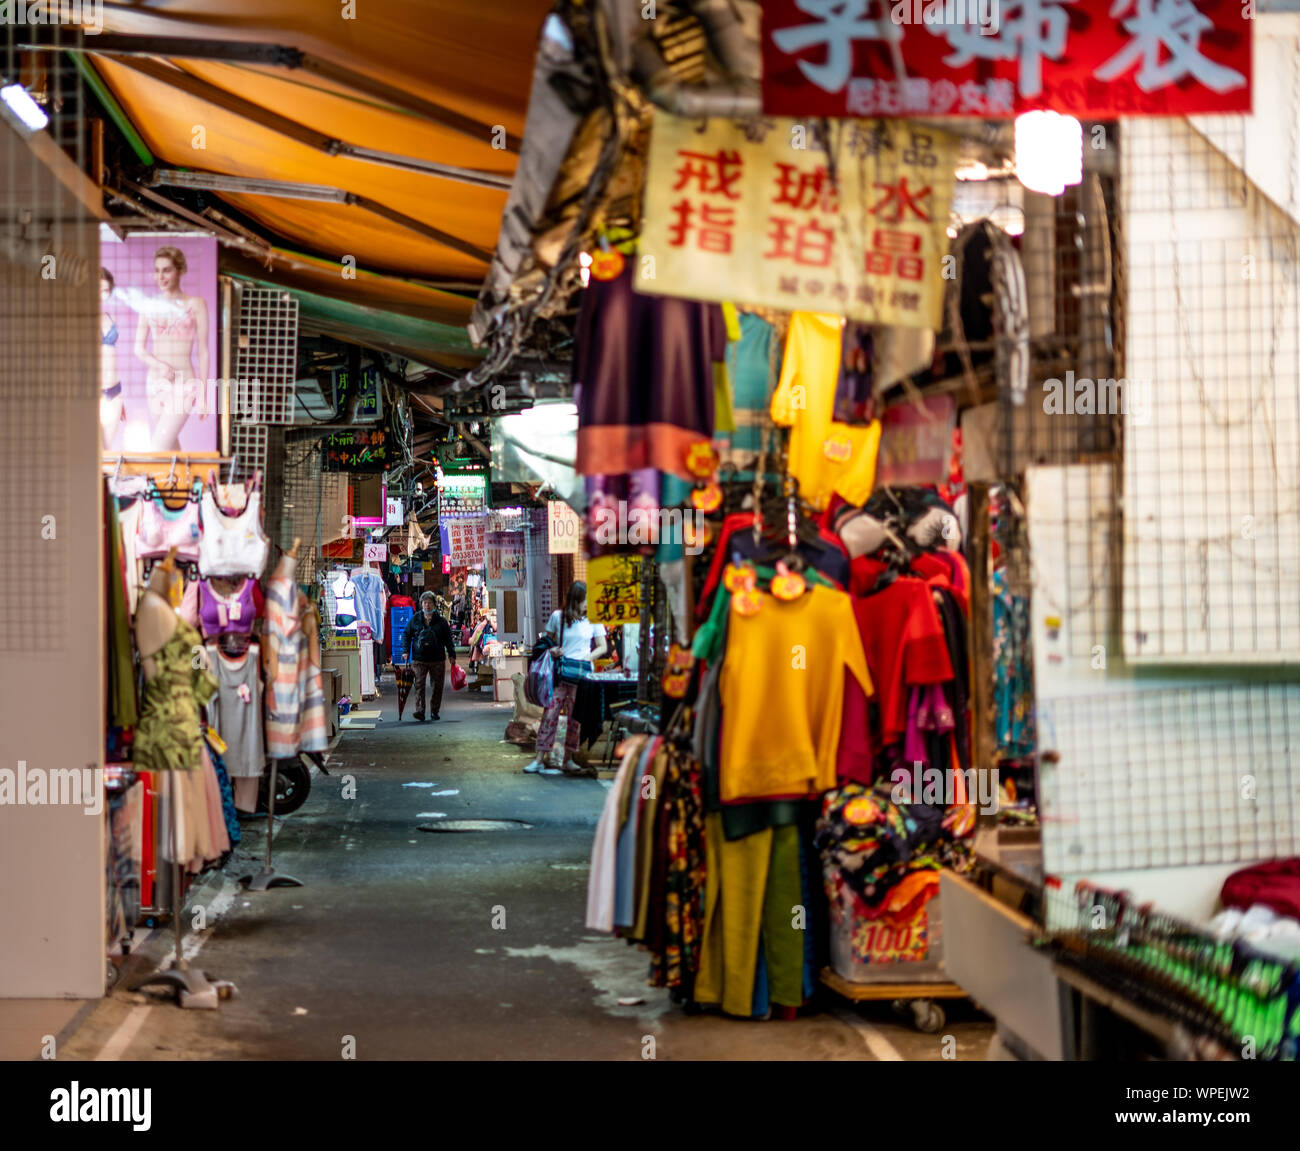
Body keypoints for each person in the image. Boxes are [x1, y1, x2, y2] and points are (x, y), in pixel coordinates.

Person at [525, 581, 606, 776]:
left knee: (575, 719)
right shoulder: (558, 617)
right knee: (549, 716)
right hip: (561, 674)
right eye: (584, 601)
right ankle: (538, 759)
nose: (587, 604)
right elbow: (546, 641)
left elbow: (602, 646)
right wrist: (552, 650)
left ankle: (568, 759)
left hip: (583, 677)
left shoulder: (594, 619)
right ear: (575, 600)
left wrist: (588, 658)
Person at [135, 245, 210, 451]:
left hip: (184, 384)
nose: (161, 276)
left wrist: (203, 396)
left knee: (158, 447)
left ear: (180, 271)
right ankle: (182, 483)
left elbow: (203, 352)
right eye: (157, 271)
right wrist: (158, 366)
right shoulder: (148, 306)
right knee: (168, 449)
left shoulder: (196, 304)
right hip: (155, 384)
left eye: (166, 270)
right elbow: (138, 349)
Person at [399, 591, 458, 722]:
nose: (427, 605)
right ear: (421, 604)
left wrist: (452, 655)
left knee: (437, 686)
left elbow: (448, 639)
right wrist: (405, 651)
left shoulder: (441, 621)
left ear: (434, 605)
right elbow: (407, 634)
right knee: (419, 685)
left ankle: (434, 711)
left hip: (437, 659)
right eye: (425, 603)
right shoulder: (415, 619)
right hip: (419, 659)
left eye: (430, 603)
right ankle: (420, 711)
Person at [100, 268, 126, 451]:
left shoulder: (110, 317)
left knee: (106, 455)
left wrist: (121, 400)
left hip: (115, 394)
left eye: (105, 291)